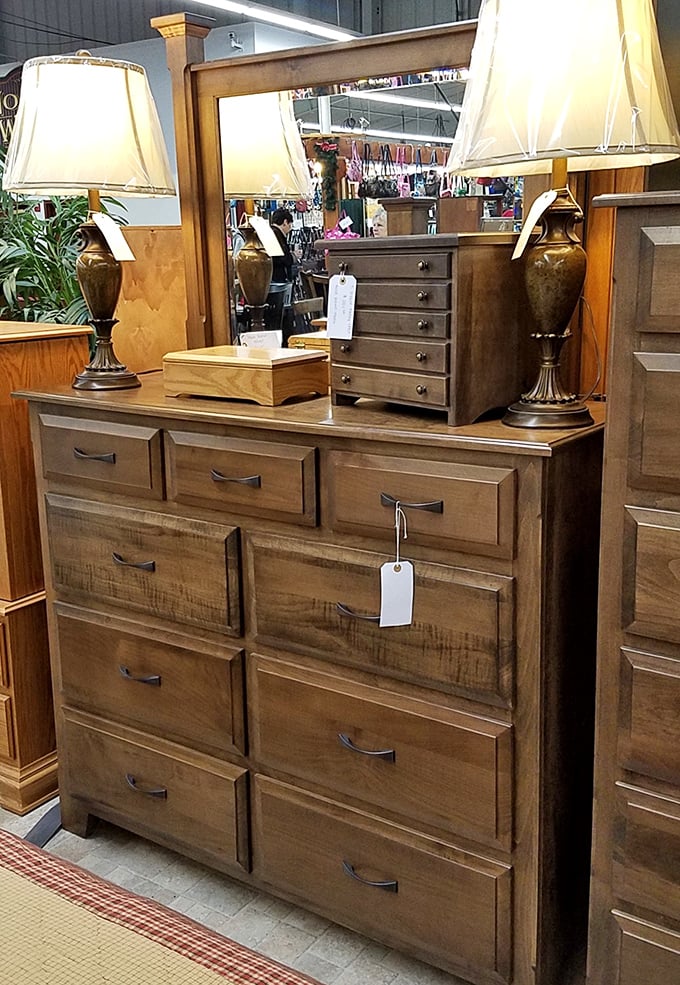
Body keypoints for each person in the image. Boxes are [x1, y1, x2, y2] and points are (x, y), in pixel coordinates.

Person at [268, 208, 296, 341]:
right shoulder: (276, 235)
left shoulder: (269, 234)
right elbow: (282, 258)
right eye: (290, 224)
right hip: (277, 282)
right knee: (280, 318)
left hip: (274, 281)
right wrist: (292, 257)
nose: (290, 228)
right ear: (285, 222)